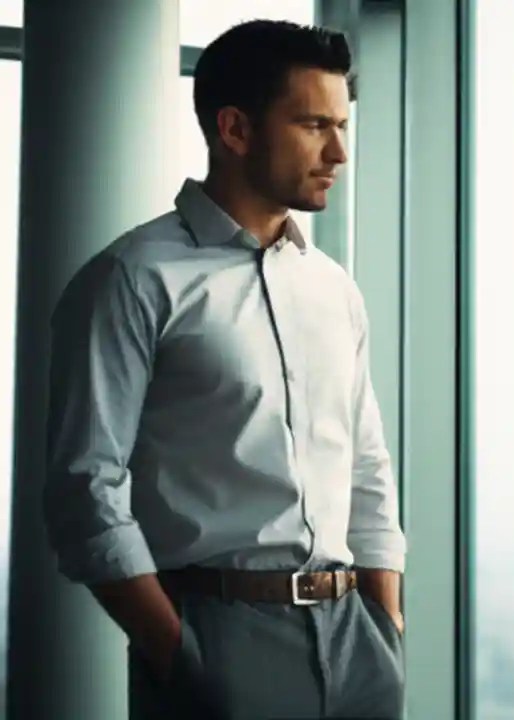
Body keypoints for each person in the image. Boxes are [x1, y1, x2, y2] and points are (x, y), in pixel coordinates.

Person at [42, 19, 406, 719]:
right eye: (312, 125)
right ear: (234, 129)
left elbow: (365, 467)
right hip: (217, 637)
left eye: (342, 125)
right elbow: (85, 488)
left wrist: (385, 624)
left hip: (356, 641)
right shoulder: (133, 278)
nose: (339, 152)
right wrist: (177, 650)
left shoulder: (333, 289)